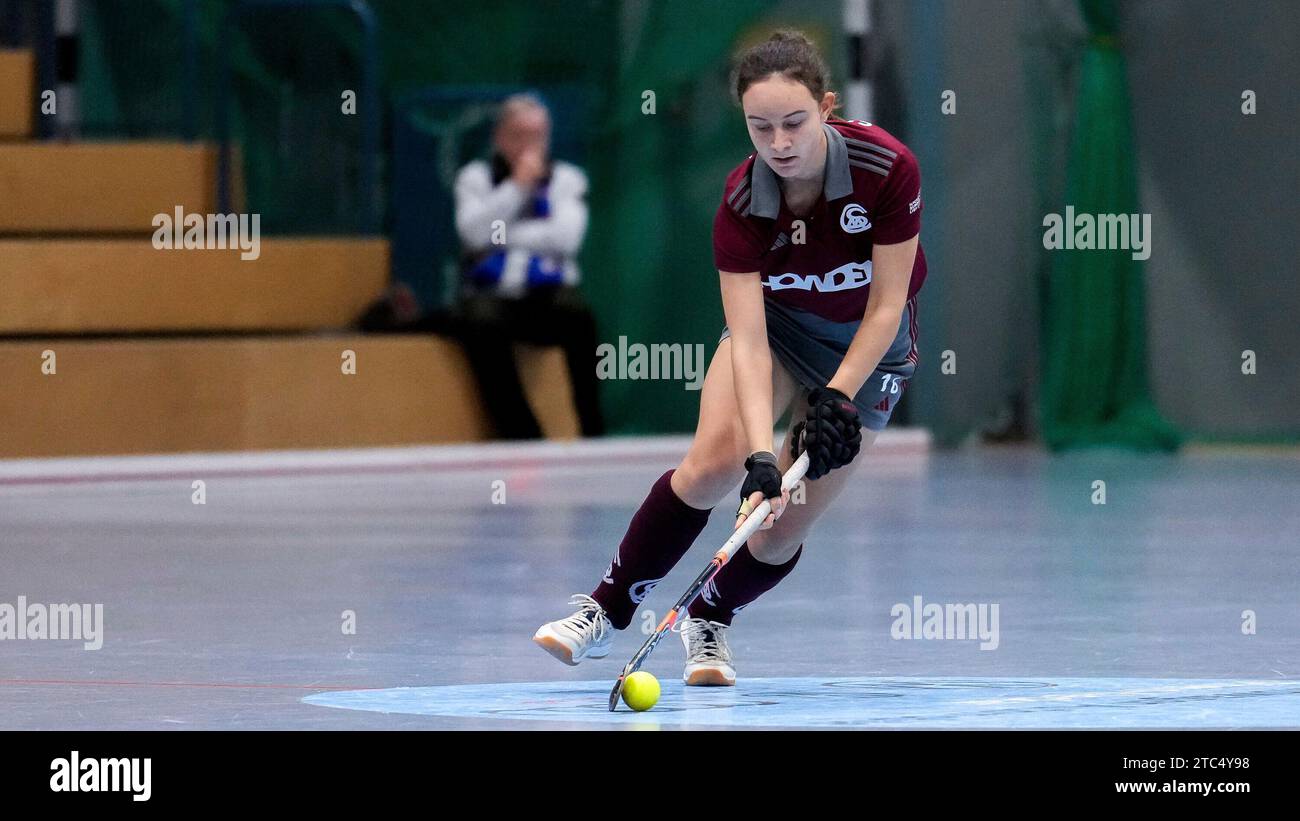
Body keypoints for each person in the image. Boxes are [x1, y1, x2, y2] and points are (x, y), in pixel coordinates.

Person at [533, 30, 927, 685]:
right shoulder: (743, 203)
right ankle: (605, 610)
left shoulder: (887, 169)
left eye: (795, 123)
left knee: (782, 526)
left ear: (826, 106)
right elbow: (746, 338)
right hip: (777, 335)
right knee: (716, 461)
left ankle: (710, 616)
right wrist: (760, 455)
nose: (779, 144)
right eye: (760, 127)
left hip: (870, 354)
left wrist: (835, 396)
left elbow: (887, 306)